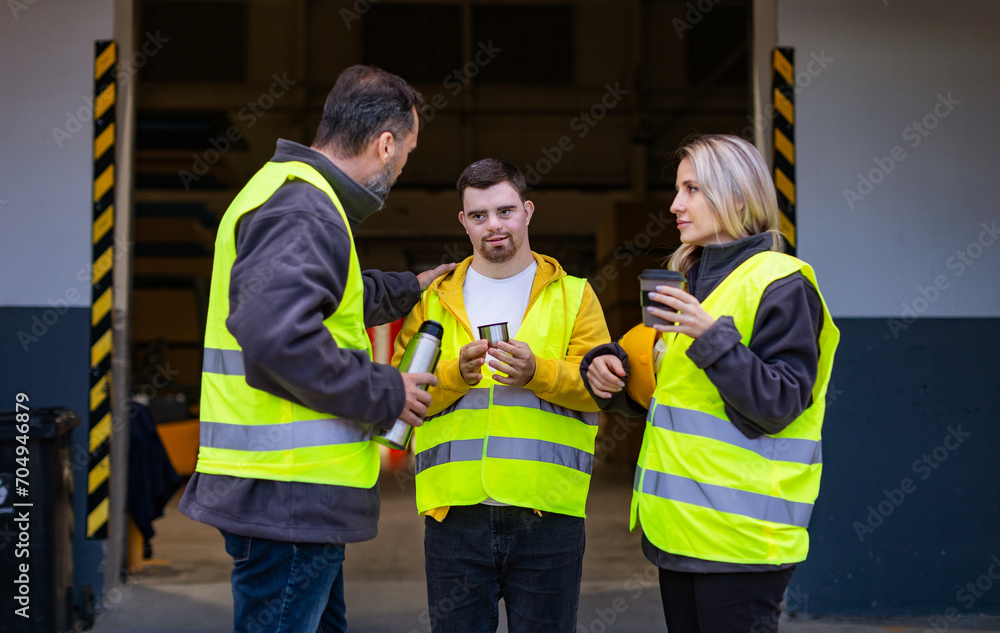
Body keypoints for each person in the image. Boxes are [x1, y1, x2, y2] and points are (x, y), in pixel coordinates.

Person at [179, 65, 454, 633]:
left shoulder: (293, 195)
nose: (403, 166)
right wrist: (386, 390)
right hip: (289, 496)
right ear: (384, 144)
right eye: (407, 151)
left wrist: (410, 287)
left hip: (291, 497)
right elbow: (278, 337)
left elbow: (332, 301)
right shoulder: (304, 210)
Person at [582, 134, 840, 633]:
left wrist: (708, 335)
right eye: (678, 189)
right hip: (679, 534)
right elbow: (664, 381)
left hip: (741, 538)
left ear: (738, 197)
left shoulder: (783, 283)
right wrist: (608, 370)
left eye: (692, 189)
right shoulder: (686, 278)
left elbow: (777, 403)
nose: (676, 204)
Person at [392, 158, 611, 632]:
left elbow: (600, 389)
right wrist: (454, 375)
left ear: (528, 211)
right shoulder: (432, 300)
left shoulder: (575, 296)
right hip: (455, 516)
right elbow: (399, 395)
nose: (494, 225)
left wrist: (539, 372)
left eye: (505, 211)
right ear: (463, 222)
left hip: (548, 514)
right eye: (479, 215)